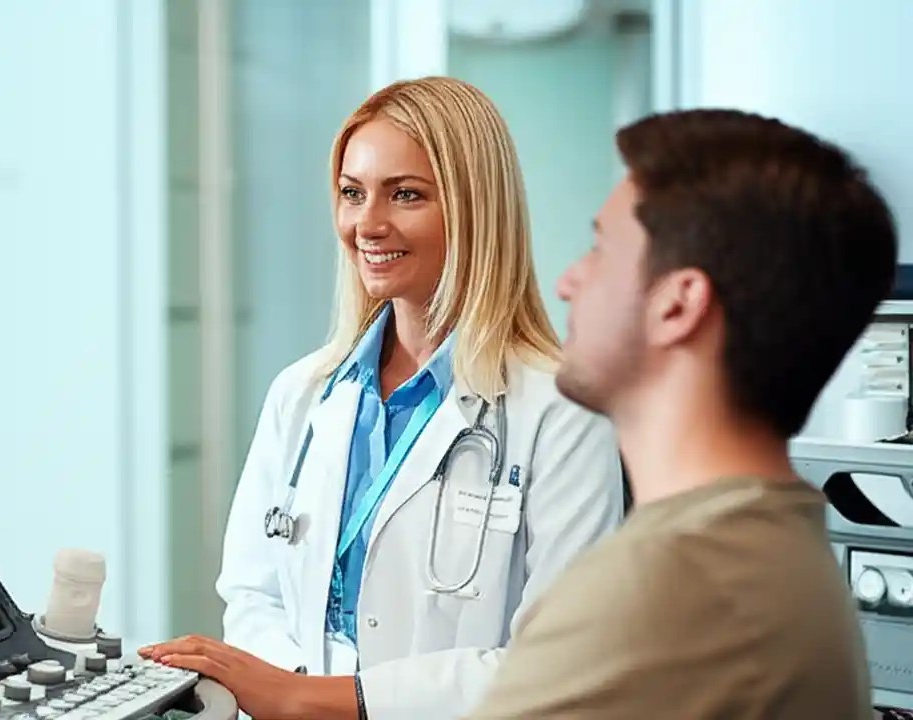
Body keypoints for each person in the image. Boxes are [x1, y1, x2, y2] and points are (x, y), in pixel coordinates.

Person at [140, 77, 624, 719]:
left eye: (406, 194)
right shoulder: (305, 394)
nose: (367, 224)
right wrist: (297, 694)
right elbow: (253, 593)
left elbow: (563, 666)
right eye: (351, 194)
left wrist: (319, 701)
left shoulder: (562, 411)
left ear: (475, 206)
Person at [467, 109, 893, 718]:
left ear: (678, 304)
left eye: (600, 250)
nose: (568, 281)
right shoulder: (770, 554)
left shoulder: (664, 588)